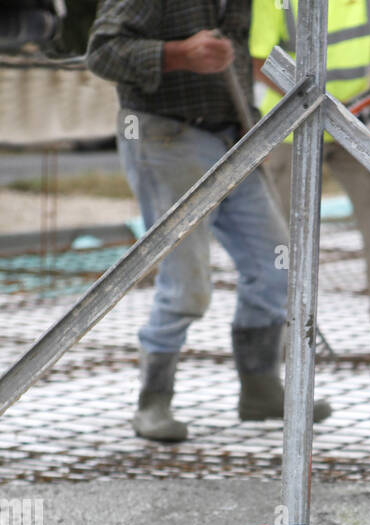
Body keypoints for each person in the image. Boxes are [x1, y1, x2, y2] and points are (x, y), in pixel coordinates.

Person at [87, 0, 329, 443]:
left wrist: (253, 128)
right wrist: (178, 54)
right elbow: (101, 52)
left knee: (278, 265)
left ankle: (260, 390)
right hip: (166, 135)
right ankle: (153, 401)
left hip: (232, 135)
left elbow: (235, 65)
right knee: (187, 280)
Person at [250, 0, 370, 356]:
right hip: (290, 126)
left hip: (350, 126)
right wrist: (314, 103)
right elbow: (259, 62)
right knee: (282, 233)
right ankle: (283, 328)